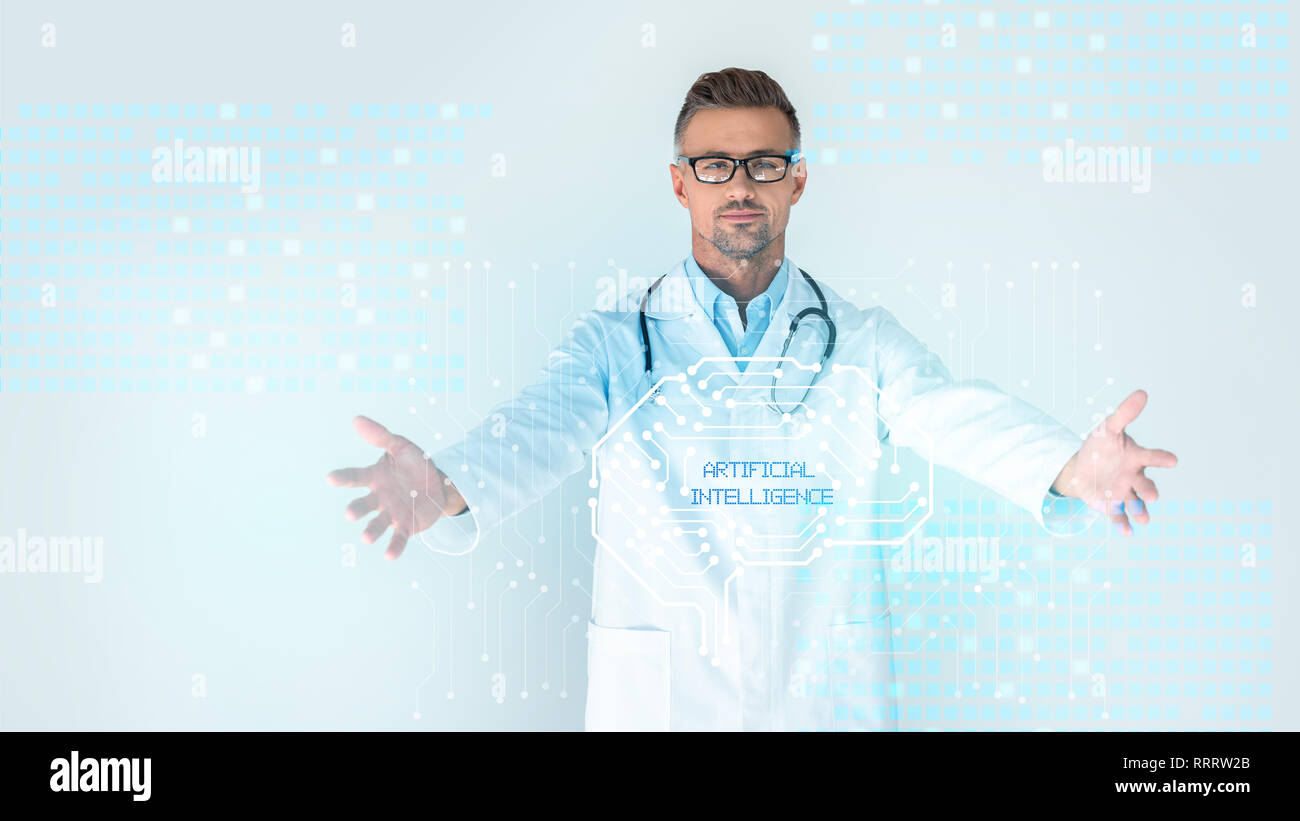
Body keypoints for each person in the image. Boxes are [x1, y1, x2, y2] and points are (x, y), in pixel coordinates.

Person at [326, 67, 1177, 731]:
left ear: (796, 182)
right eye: (715, 164)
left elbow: (948, 410)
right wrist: (446, 482)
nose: (741, 183)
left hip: (823, 704)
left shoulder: (860, 341)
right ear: (679, 183)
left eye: (765, 164)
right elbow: (539, 429)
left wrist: (1065, 466)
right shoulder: (622, 343)